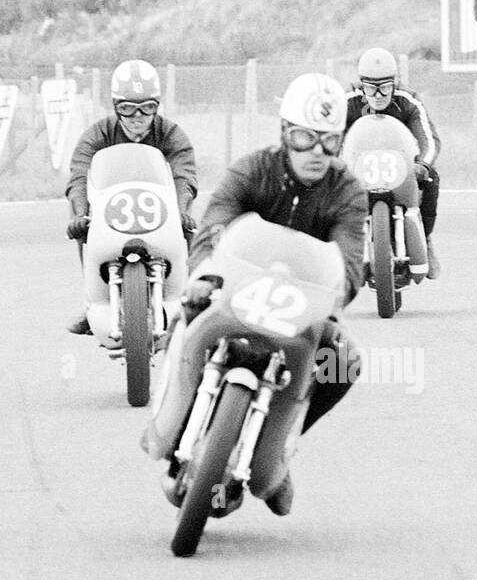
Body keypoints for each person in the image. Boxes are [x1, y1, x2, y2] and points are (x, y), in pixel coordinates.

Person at [154, 72, 367, 516]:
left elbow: (349, 260)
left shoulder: (347, 192)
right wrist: (204, 274)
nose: (317, 152)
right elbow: (214, 223)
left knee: (342, 361)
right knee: (187, 314)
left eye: (329, 141)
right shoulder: (253, 170)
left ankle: (281, 447)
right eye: (305, 137)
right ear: (285, 133)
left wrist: (336, 300)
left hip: (304, 309)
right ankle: (175, 423)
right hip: (236, 292)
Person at [63, 59, 198, 334]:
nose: (138, 116)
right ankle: (95, 302)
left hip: (160, 210)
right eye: (127, 108)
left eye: (147, 107)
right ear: (115, 107)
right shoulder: (96, 134)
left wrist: (183, 209)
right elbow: (78, 174)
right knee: (80, 228)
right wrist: (80, 214)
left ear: (157, 106)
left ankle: (188, 299)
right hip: (107, 212)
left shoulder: (172, 133)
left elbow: (185, 174)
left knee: (190, 230)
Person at [344, 47, 442, 279]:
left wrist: (423, 165)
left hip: (401, 167)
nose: (378, 95)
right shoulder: (347, 102)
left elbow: (430, 140)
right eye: (371, 87)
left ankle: (425, 238)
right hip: (360, 169)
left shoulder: (408, 101)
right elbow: (331, 137)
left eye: (385, 87)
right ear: (361, 85)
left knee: (432, 179)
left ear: (394, 84)